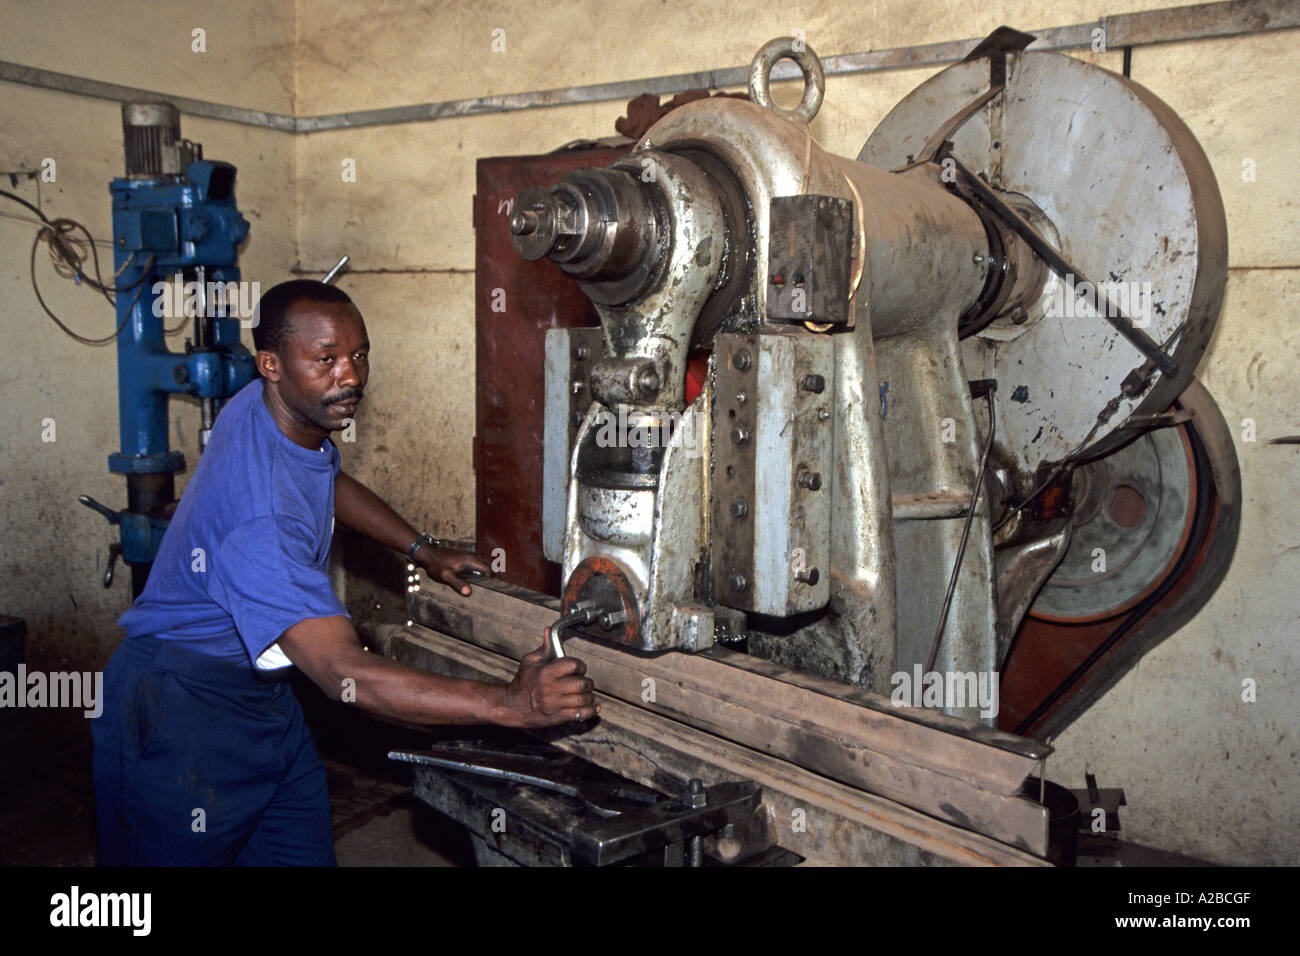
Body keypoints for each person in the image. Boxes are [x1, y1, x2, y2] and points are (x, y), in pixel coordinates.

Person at [91, 279, 598, 866]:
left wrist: (420, 548)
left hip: (265, 703)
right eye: (326, 360)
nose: (351, 376)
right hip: (180, 711)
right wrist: (511, 705)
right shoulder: (262, 526)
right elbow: (343, 674)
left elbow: (325, 482)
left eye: (359, 355)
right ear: (272, 364)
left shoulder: (268, 411)